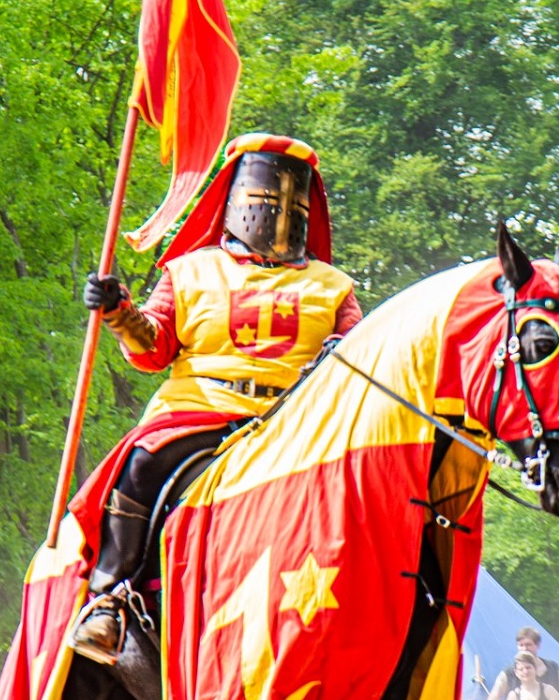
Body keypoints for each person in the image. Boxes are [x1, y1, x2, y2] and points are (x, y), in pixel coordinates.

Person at [70, 135, 363, 659]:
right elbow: (154, 344)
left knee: (367, 492)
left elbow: (360, 346)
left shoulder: (333, 285)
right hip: (200, 410)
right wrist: (117, 309)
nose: (276, 210)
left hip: (294, 421)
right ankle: (109, 599)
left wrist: (344, 347)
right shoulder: (189, 271)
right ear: (235, 197)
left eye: (291, 200)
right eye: (264, 196)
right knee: (140, 466)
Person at [487, 628, 559, 700]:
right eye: (521, 645)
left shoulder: (552, 669)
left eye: (528, 645)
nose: (524, 649)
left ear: (538, 645)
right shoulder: (509, 673)